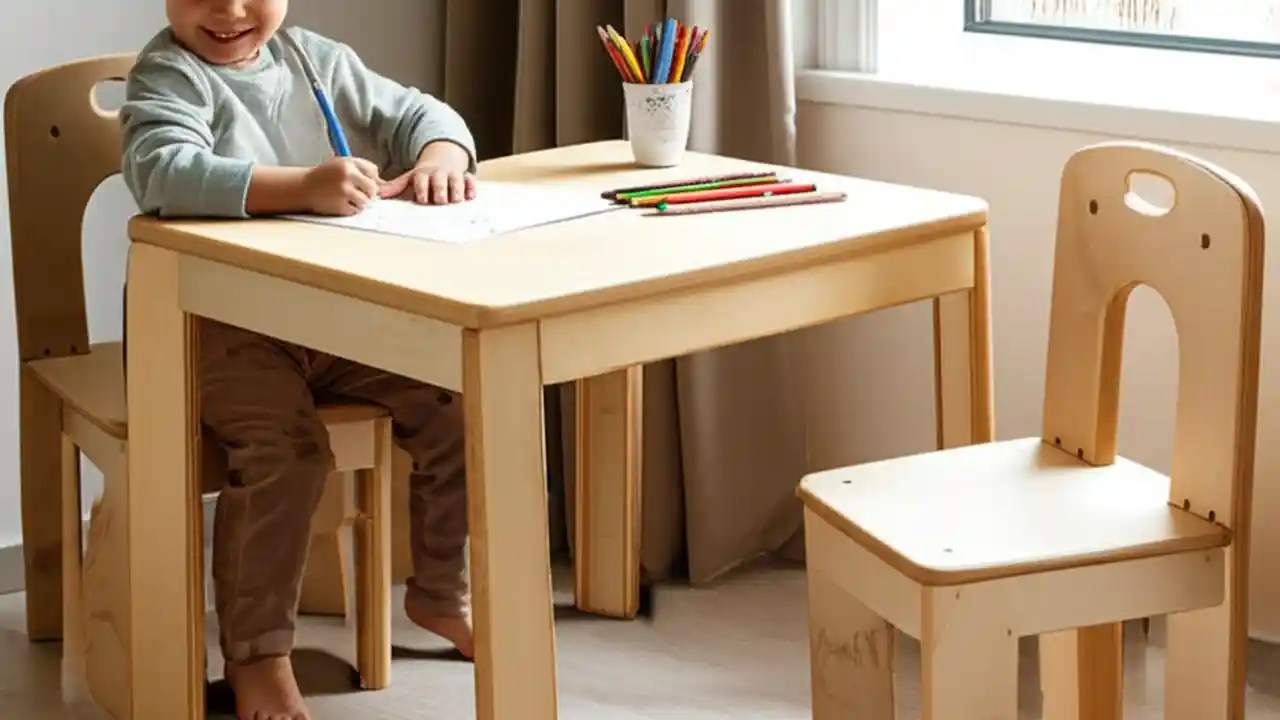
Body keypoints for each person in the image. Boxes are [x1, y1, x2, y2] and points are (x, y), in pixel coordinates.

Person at [120, 2, 476, 718]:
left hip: (322, 321)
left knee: (459, 396)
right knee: (288, 452)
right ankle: (256, 655)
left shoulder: (315, 59)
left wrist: (443, 158)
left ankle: (442, 591)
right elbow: (161, 171)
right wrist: (303, 187)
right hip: (213, 326)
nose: (228, 10)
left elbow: (424, 115)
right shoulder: (168, 75)